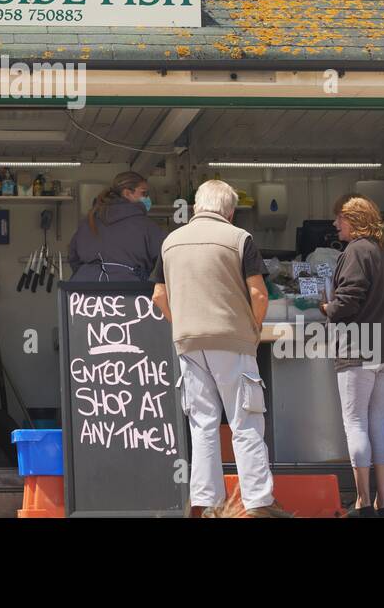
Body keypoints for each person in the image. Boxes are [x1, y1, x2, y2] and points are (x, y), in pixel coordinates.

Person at [153, 179, 289, 518]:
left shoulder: (170, 242)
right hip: (233, 342)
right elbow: (259, 294)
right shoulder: (239, 239)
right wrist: (253, 330)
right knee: (245, 423)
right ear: (229, 211)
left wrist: (181, 324)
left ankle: (207, 504)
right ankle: (258, 503)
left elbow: (158, 296)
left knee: (202, 425)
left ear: (198, 206)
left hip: (189, 343)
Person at [318, 193, 384, 518]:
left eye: (340, 217)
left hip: (359, 347)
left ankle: (363, 502)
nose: (335, 223)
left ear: (353, 221)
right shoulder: (382, 253)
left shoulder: (355, 251)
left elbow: (349, 300)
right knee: (378, 423)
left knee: (355, 422)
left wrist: (328, 307)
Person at [66, 171, 165, 282]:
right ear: (127, 193)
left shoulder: (87, 222)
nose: (147, 198)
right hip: (129, 293)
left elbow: (73, 258)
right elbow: (166, 258)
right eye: (144, 193)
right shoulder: (147, 226)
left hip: (83, 292)